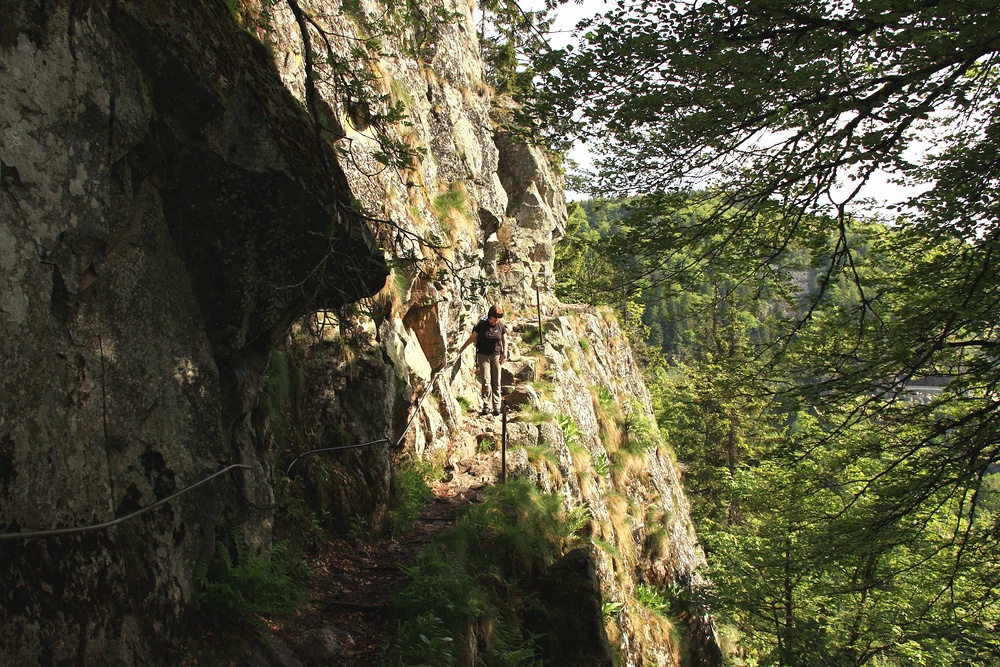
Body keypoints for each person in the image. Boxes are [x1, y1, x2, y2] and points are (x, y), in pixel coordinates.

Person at [458, 304, 509, 416]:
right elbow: (472, 337)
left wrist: (504, 354)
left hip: (496, 355)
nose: (496, 320)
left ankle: (497, 406)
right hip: (483, 356)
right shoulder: (481, 325)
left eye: (498, 318)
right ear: (490, 316)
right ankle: (487, 405)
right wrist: (462, 348)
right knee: (486, 381)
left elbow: (504, 341)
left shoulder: (500, 326)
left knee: (496, 382)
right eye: (495, 318)